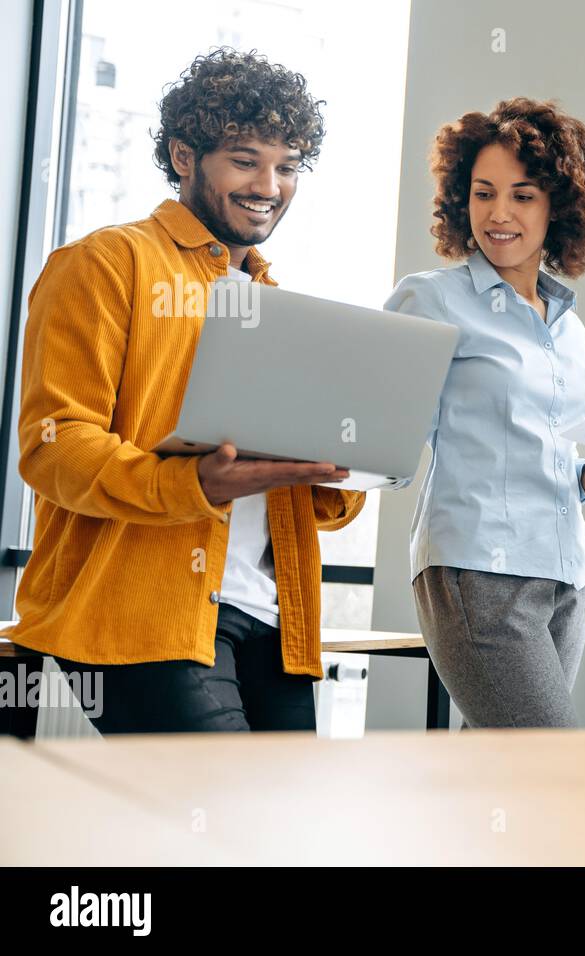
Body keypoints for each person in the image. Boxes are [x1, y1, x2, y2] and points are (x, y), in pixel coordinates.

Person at [2, 49, 365, 734]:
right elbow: (54, 450)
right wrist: (195, 483)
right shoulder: (106, 263)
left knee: (281, 838)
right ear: (183, 155)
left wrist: (345, 467)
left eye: (288, 166)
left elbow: (297, 500)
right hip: (144, 616)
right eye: (245, 159)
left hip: (273, 619)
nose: (270, 184)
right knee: (213, 827)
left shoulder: (277, 304)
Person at [386, 98, 585, 728]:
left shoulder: (566, 328)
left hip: (565, 574)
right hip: (477, 571)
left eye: (522, 196)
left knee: (500, 782)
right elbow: (379, 434)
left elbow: (542, 457)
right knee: (549, 767)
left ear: (558, 208)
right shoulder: (431, 300)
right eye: (483, 192)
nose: (498, 214)